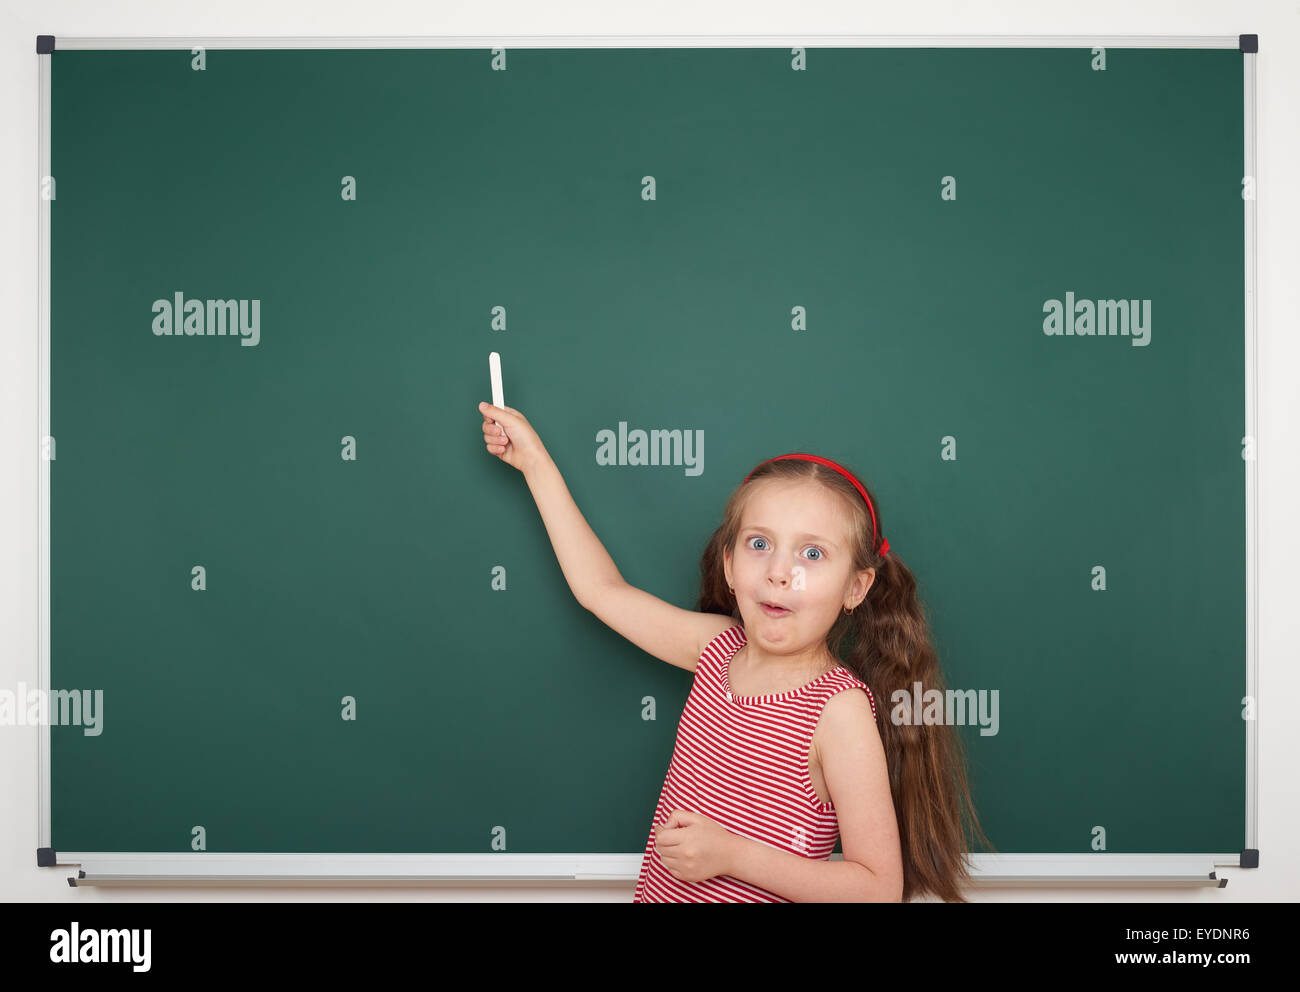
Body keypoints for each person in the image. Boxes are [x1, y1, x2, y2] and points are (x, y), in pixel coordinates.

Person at [477, 400, 991, 902]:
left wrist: (732, 855)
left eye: (812, 553)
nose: (778, 570)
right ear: (728, 564)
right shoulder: (716, 647)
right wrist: (535, 464)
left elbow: (876, 888)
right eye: (759, 543)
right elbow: (600, 590)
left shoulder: (839, 711)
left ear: (855, 588)